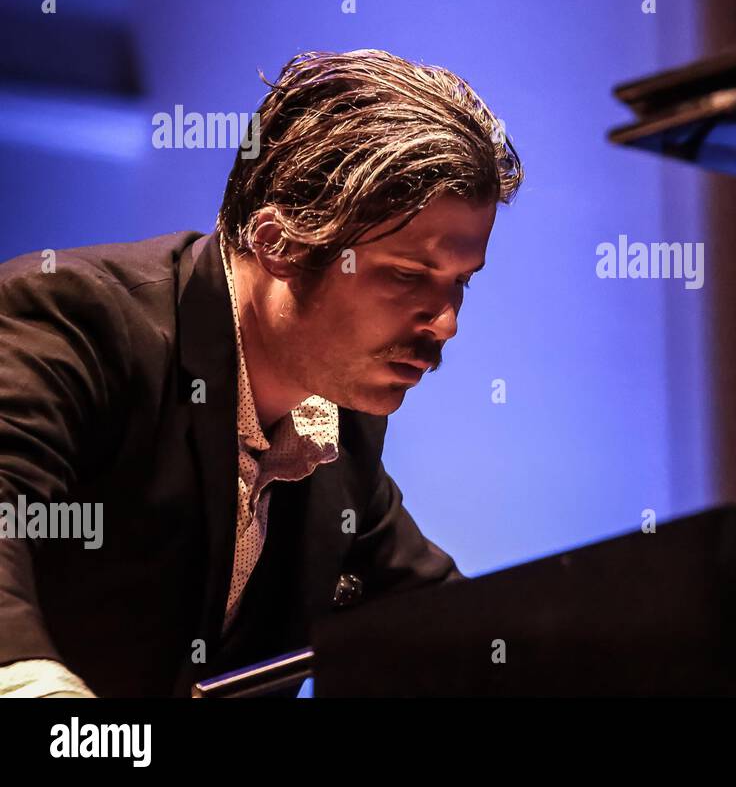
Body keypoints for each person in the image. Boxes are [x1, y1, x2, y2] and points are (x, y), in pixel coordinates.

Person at [0, 49, 523, 696]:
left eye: (460, 285)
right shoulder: (73, 321)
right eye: (407, 277)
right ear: (278, 243)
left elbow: (447, 637)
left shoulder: (337, 431)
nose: (445, 324)